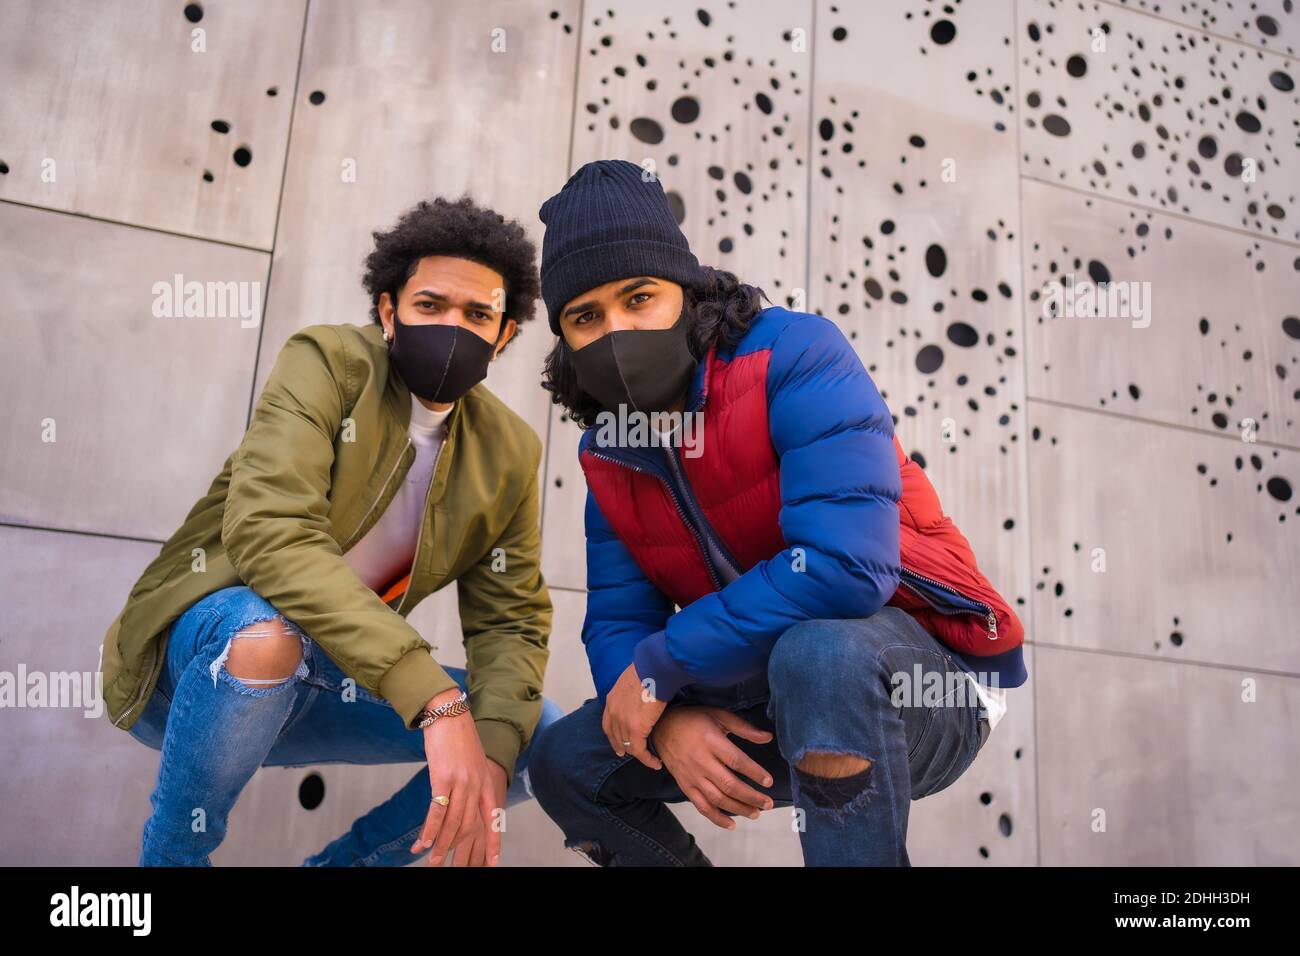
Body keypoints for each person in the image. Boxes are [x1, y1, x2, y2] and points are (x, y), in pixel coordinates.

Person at [525, 159, 1028, 866]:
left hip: (920, 681)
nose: (617, 330)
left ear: (686, 291)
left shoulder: (793, 354)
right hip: (769, 689)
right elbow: (616, 620)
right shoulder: (610, 450)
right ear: (567, 342)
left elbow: (844, 568)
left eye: (639, 297)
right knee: (564, 762)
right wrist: (662, 719)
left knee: (819, 652)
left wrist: (659, 669)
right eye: (586, 316)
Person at [100, 196, 559, 867]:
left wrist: (485, 744)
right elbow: (272, 533)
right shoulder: (328, 361)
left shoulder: (509, 451)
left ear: (505, 336)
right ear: (387, 310)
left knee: (529, 732)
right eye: (430, 304)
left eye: (478, 314)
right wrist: (434, 698)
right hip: (200, 670)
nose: (452, 326)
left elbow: (510, 623)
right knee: (264, 631)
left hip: (330, 685)